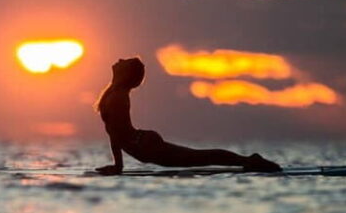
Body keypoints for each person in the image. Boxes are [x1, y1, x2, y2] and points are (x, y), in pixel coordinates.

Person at [95, 57, 281, 175]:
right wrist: (118, 165)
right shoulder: (115, 94)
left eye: (124, 61)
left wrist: (118, 166)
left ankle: (250, 161)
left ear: (125, 73)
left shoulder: (118, 97)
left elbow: (116, 133)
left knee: (200, 157)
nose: (119, 59)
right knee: (198, 157)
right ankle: (248, 160)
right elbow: (113, 132)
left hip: (146, 146)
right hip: (142, 145)